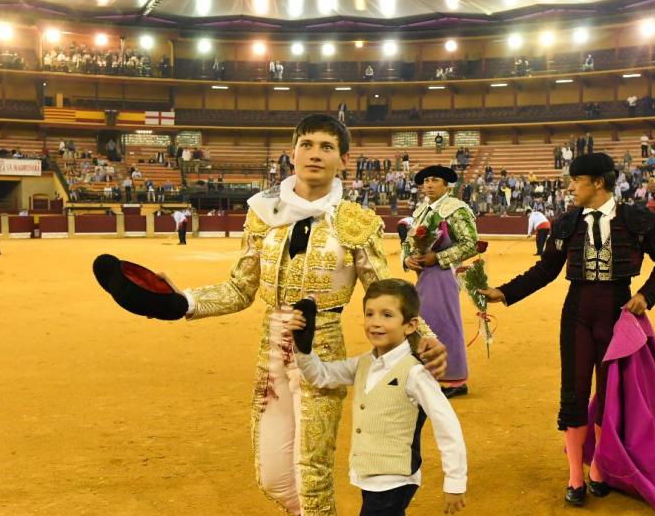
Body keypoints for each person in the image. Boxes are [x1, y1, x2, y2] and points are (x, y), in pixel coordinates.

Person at [91, 113, 447, 516]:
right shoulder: (262, 213)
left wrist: (424, 338)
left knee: (312, 472)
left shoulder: (356, 222)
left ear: (343, 161)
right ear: (292, 153)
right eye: (307, 145)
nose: (315, 154)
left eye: (327, 147)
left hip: (322, 346)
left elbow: (385, 290)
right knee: (273, 477)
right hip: (271, 349)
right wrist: (181, 302)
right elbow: (241, 288)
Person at [478, 152, 655, 506]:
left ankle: (599, 468)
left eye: (575, 181)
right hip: (577, 316)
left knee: (607, 394)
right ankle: (576, 475)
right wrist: (504, 293)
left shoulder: (635, 219)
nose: (570, 187)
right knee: (573, 393)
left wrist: (648, 295)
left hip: (618, 318)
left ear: (597, 182)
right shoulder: (567, 222)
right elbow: (545, 271)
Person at [287, 279, 467, 516]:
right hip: (370, 476)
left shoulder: (415, 373)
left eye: (387, 315)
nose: (375, 323)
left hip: (395, 479)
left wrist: (455, 481)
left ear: (411, 325)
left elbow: (447, 423)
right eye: (369, 314)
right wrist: (302, 347)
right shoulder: (363, 364)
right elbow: (321, 375)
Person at [402, 165, 478, 397]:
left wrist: (438, 256)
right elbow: (408, 242)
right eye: (426, 181)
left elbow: (471, 243)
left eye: (435, 180)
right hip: (424, 276)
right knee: (423, 322)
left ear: (446, 185)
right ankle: (428, 376)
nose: (429, 185)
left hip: (444, 275)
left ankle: (454, 380)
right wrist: (407, 260)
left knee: (445, 324)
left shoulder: (456, 209)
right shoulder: (421, 211)